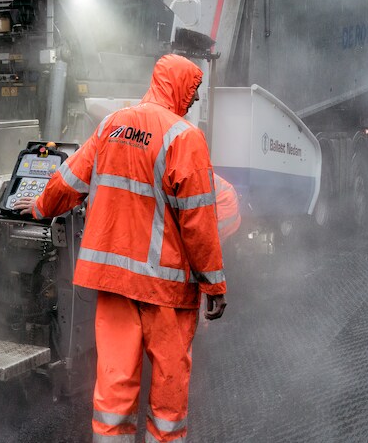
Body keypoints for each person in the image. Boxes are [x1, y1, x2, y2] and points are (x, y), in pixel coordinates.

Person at [14, 53, 227, 442]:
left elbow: (70, 180)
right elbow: (200, 223)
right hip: (166, 290)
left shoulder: (112, 125)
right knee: (168, 392)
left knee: (114, 385)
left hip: (114, 285)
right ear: (180, 88)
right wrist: (214, 285)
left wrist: (41, 205)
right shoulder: (185, 138)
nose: (193, 102)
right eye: (193, 93)